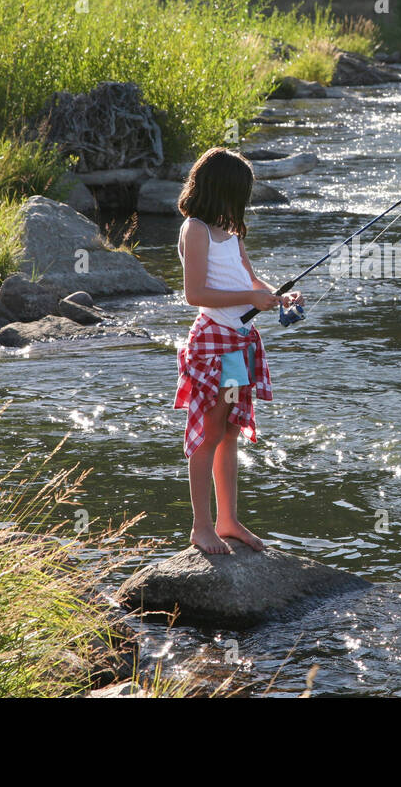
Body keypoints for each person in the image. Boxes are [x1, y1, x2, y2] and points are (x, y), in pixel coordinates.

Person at [173, 147, 302, 554]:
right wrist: (248, 296)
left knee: (229, 433)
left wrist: (277, 297)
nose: (244, 202)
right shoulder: (195, 229)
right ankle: (201, 526)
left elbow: (249, 279)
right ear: (223, 189)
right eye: (241, 193)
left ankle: (227, 520)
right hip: (213, 345)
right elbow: (195, 293)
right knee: (208, 435)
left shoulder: (232, 232)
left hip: (237, 348)